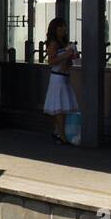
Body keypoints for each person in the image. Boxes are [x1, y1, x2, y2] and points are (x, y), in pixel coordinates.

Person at [43, 17, 79, 145]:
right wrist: (66, 54)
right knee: (58, 107)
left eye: (64, 27)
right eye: (60, 27)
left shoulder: (64, 43)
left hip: (64, 76)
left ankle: (58, 131)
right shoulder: (53, 43)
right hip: (57, 78)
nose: (63, 30)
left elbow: (68, 61)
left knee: (62, 107)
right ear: (55, 29)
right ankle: (61, 134)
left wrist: (71, 57)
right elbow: (51, 61)